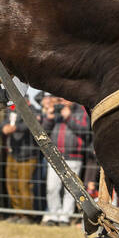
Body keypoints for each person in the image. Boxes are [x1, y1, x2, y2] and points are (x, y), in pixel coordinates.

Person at [41, 96, 90, 225]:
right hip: (55, 156)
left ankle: (65, 217)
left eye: (64, 99)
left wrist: (69, 118)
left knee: (71, 190)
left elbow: (85, 130)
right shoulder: (55, 112)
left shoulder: (81, 111)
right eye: (60, 100)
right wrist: (49, 118)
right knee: (52, 188)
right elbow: (43, 132)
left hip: (75, 156)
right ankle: (54, 214)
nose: (62, 101)